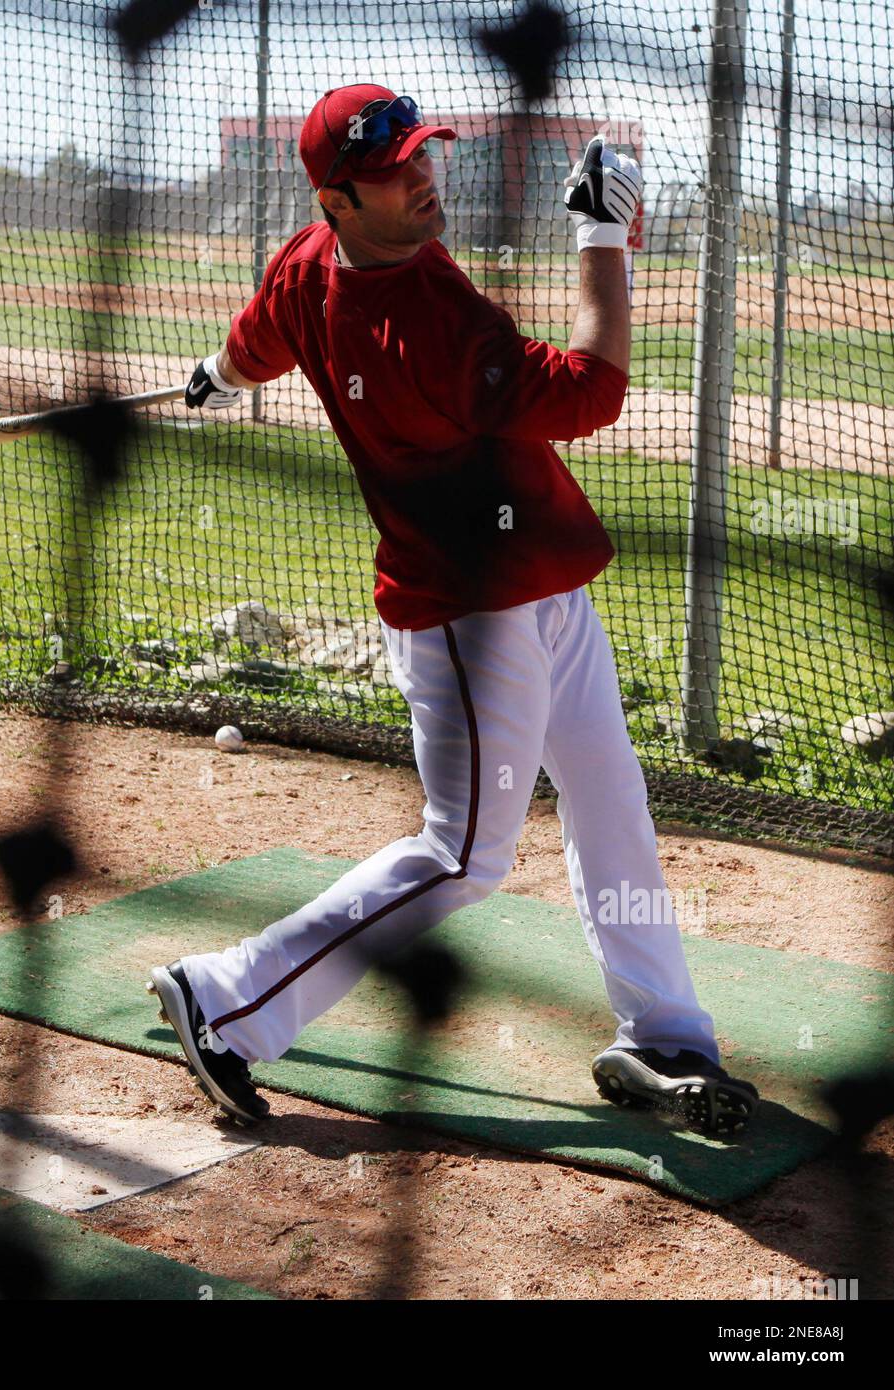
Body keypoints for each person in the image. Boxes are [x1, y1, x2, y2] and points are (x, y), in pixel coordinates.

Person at [148, 84, 759, 1137]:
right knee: (463, 851)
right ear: (338, 199)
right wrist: (603, 239)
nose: (422, 178)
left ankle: (662, 1027)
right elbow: (594, 389)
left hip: (540, 586)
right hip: (471, 614)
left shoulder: (311, 260)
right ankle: (227, 1000)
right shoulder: (427, 325)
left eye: (424, 155)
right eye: (393, 172)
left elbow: (260, 334)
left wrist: (213, 372)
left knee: (608, 798)